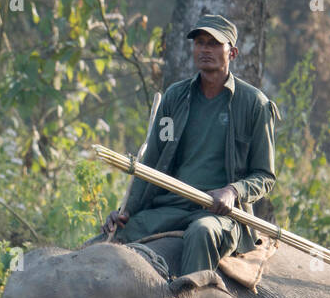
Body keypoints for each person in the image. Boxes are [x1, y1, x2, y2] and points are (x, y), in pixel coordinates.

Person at [103, 14, 280, 275]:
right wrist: (126, 211)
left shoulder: (255, 105)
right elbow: (151, 161)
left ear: (232, 52)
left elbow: (265, 177)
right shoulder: (175, 96)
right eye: (199, 42)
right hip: (169, 207)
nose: (204, 49)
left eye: (213, 43)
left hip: (220, 216)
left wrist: (232, 191)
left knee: (202, 232)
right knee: (112, 239)